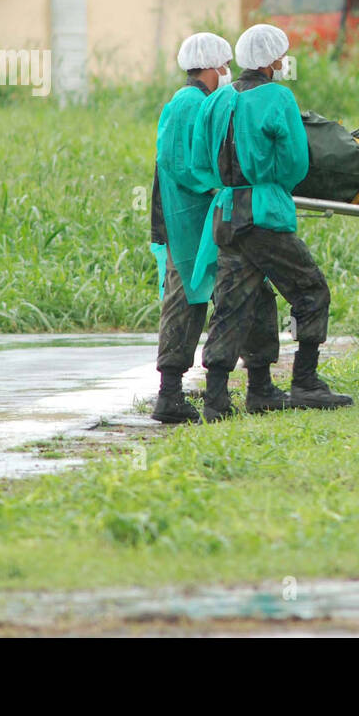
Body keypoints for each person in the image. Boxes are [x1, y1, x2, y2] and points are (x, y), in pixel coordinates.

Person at [188, 23, 353, 421]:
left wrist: (229, 184)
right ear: (273, 60)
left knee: (235, 303)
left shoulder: (217, 101)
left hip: (226, 215)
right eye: (281, 56)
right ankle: (306, 382)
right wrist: (268, 183)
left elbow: (198, 162)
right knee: (311, 291)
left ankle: (220, 399)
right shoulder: (279, 98)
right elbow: (296, 163)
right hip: (265, 213)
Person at [150, 32, 233, 424]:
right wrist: (216, 181)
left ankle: (209, 390)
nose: (227, 72)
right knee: (184, 300)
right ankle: (169, 396)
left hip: (196, 216)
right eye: (224, 65)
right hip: (184, 219)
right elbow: (177, 162)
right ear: (210, 65)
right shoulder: (187, 104)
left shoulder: (200, 101)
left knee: (201, 298)